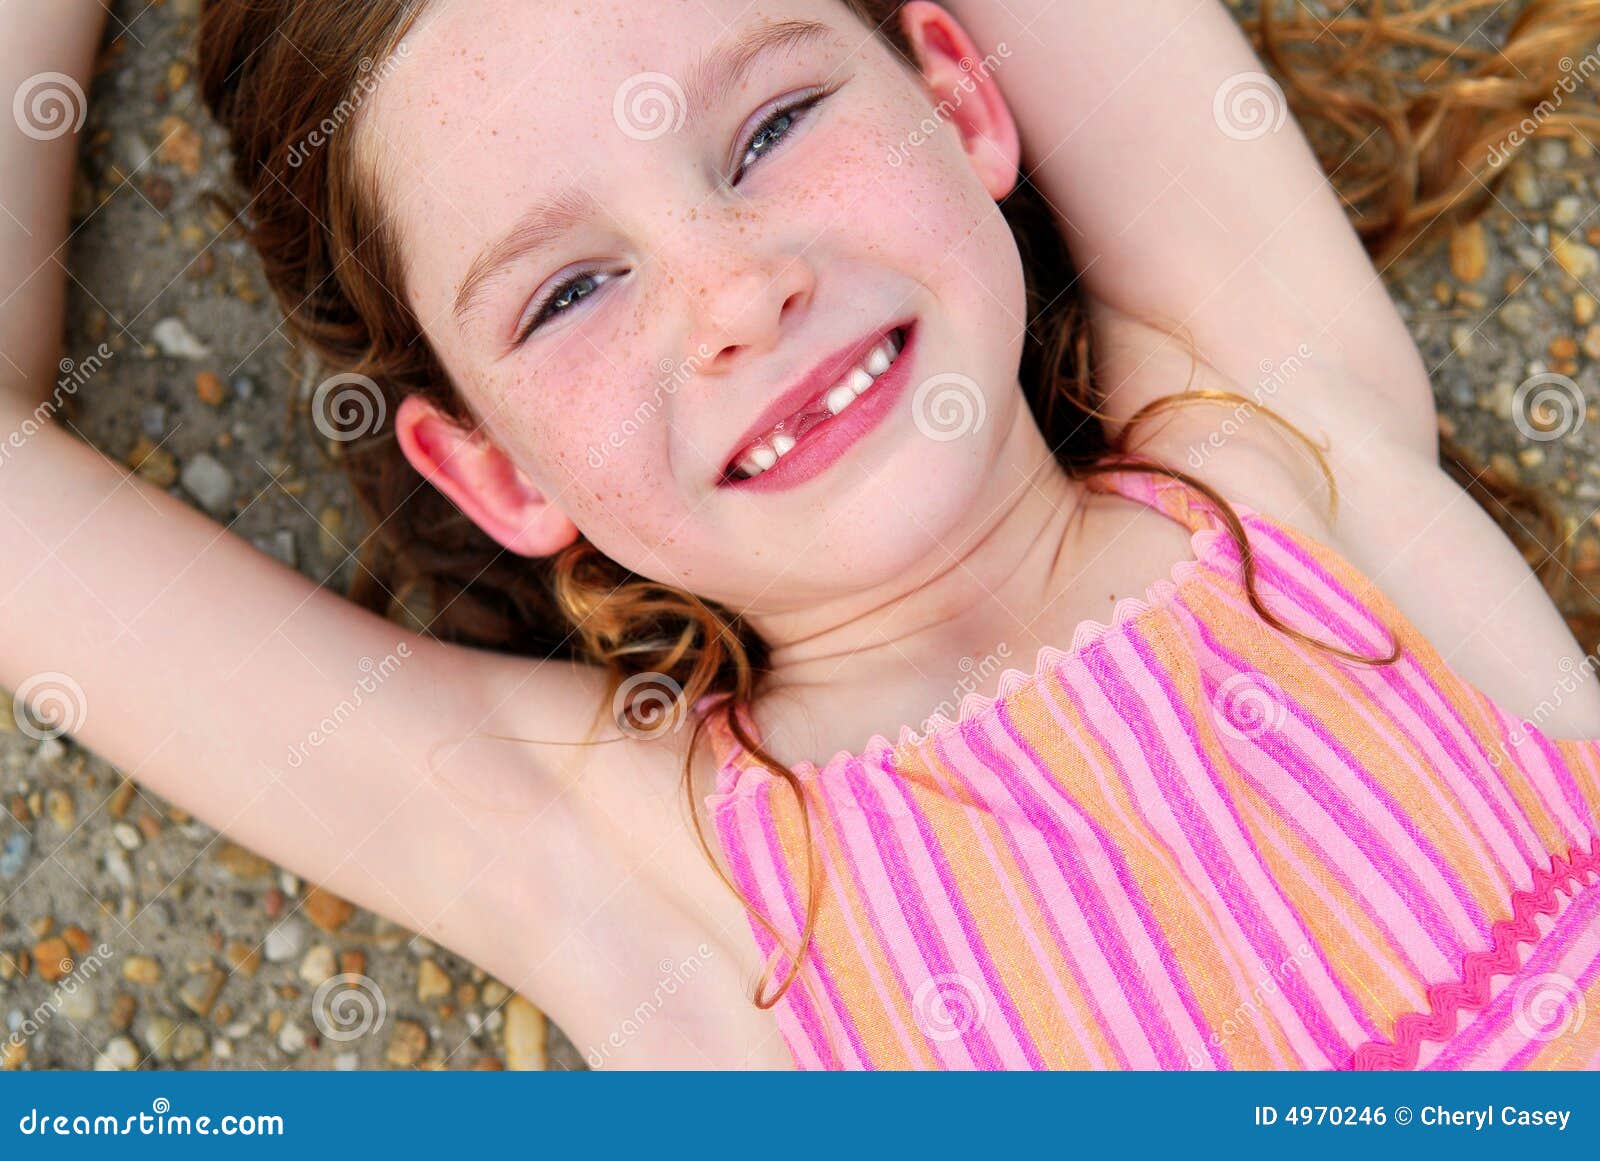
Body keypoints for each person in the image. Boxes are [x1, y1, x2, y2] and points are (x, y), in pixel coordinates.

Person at [4, 0, 1598, 1069]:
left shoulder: (1283, 434)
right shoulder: (631, 861)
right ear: (495, 472)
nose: (728, 290)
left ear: (960, 92)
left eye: (769, 131)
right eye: (570, 290)